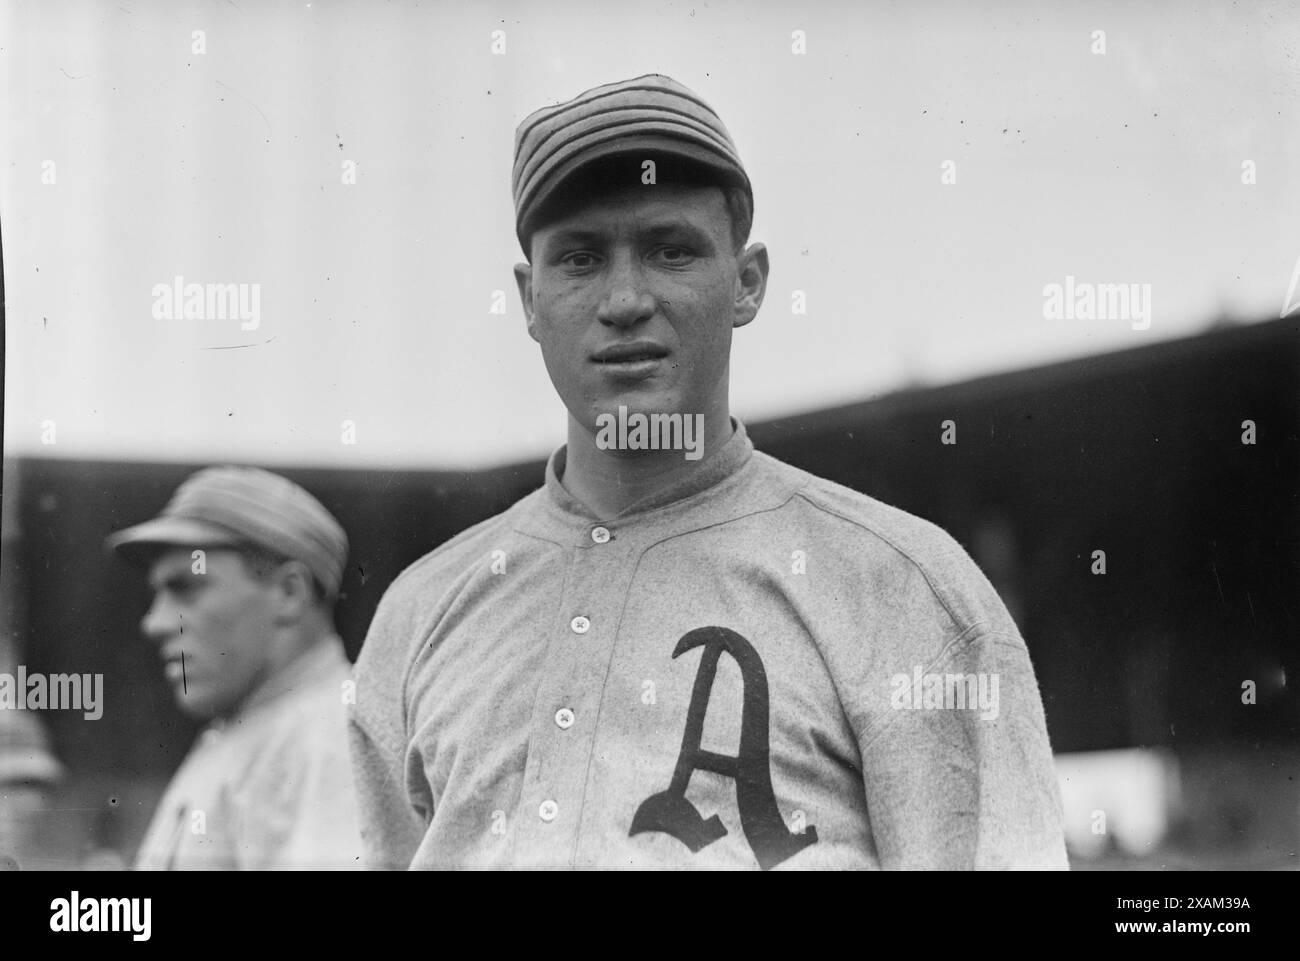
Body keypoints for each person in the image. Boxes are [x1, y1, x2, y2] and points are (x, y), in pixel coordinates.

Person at [349, 74, 1068, 869]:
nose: (624, 299)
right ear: (529, 298)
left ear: (748, 282)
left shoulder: (904, 588)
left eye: (671, 249)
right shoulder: (419, 614)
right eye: (580, 259)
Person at [106, 466, 362, 870]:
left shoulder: (332, 738)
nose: (154, 623)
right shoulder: (252, 726)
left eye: (185, 588)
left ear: (288, 592)